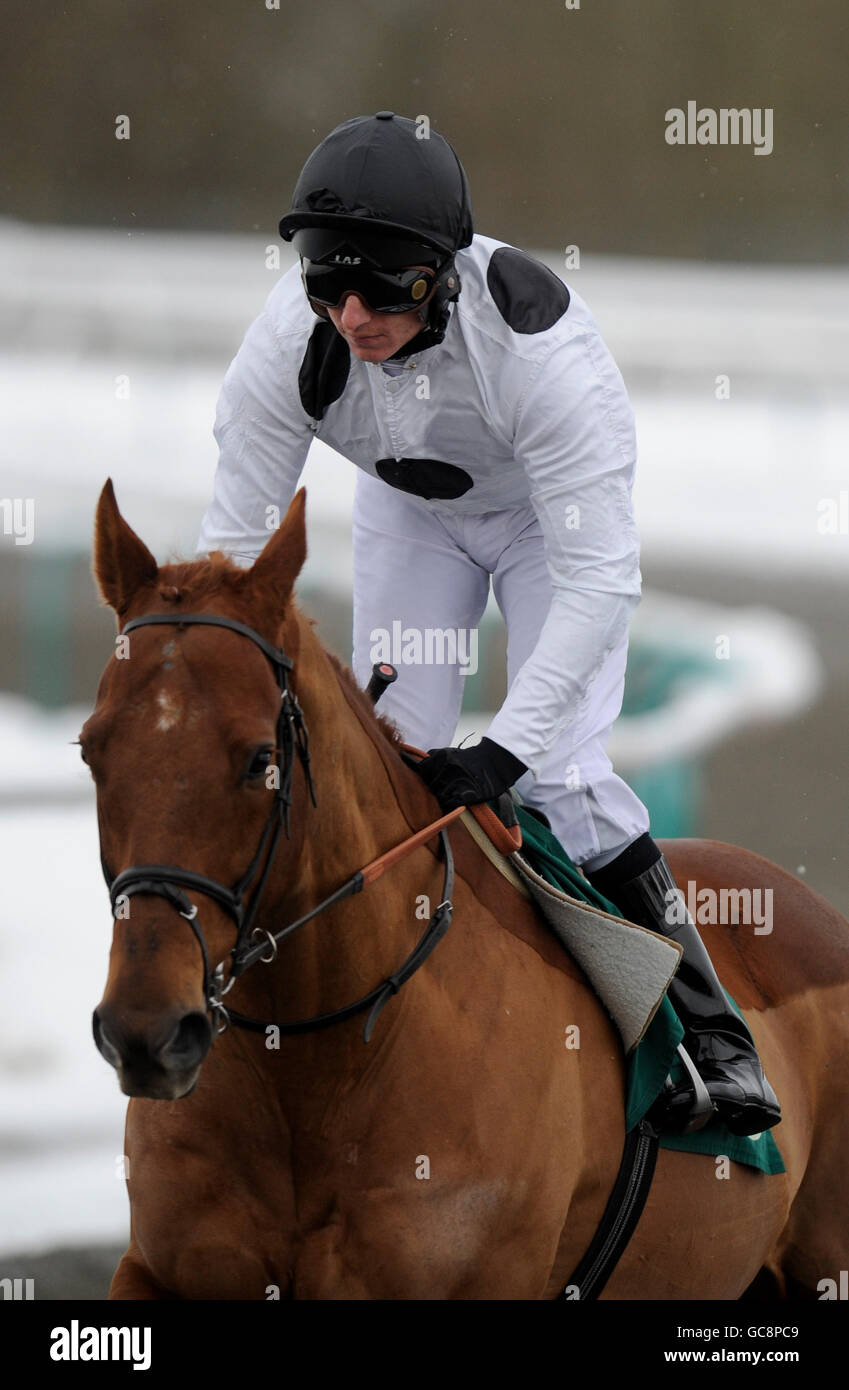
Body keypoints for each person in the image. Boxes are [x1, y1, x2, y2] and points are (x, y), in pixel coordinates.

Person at [196, 111, 780, 1137]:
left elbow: (600, 576)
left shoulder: (544, 357)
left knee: (558, 774)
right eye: (327, 284)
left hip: (553, 532)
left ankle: (714, 1034)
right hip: (410, 515)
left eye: (381, 287)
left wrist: (507, 746)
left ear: (444, 271)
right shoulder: (291, 342)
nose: (352, 315)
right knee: (393, 758)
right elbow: (233, 554)